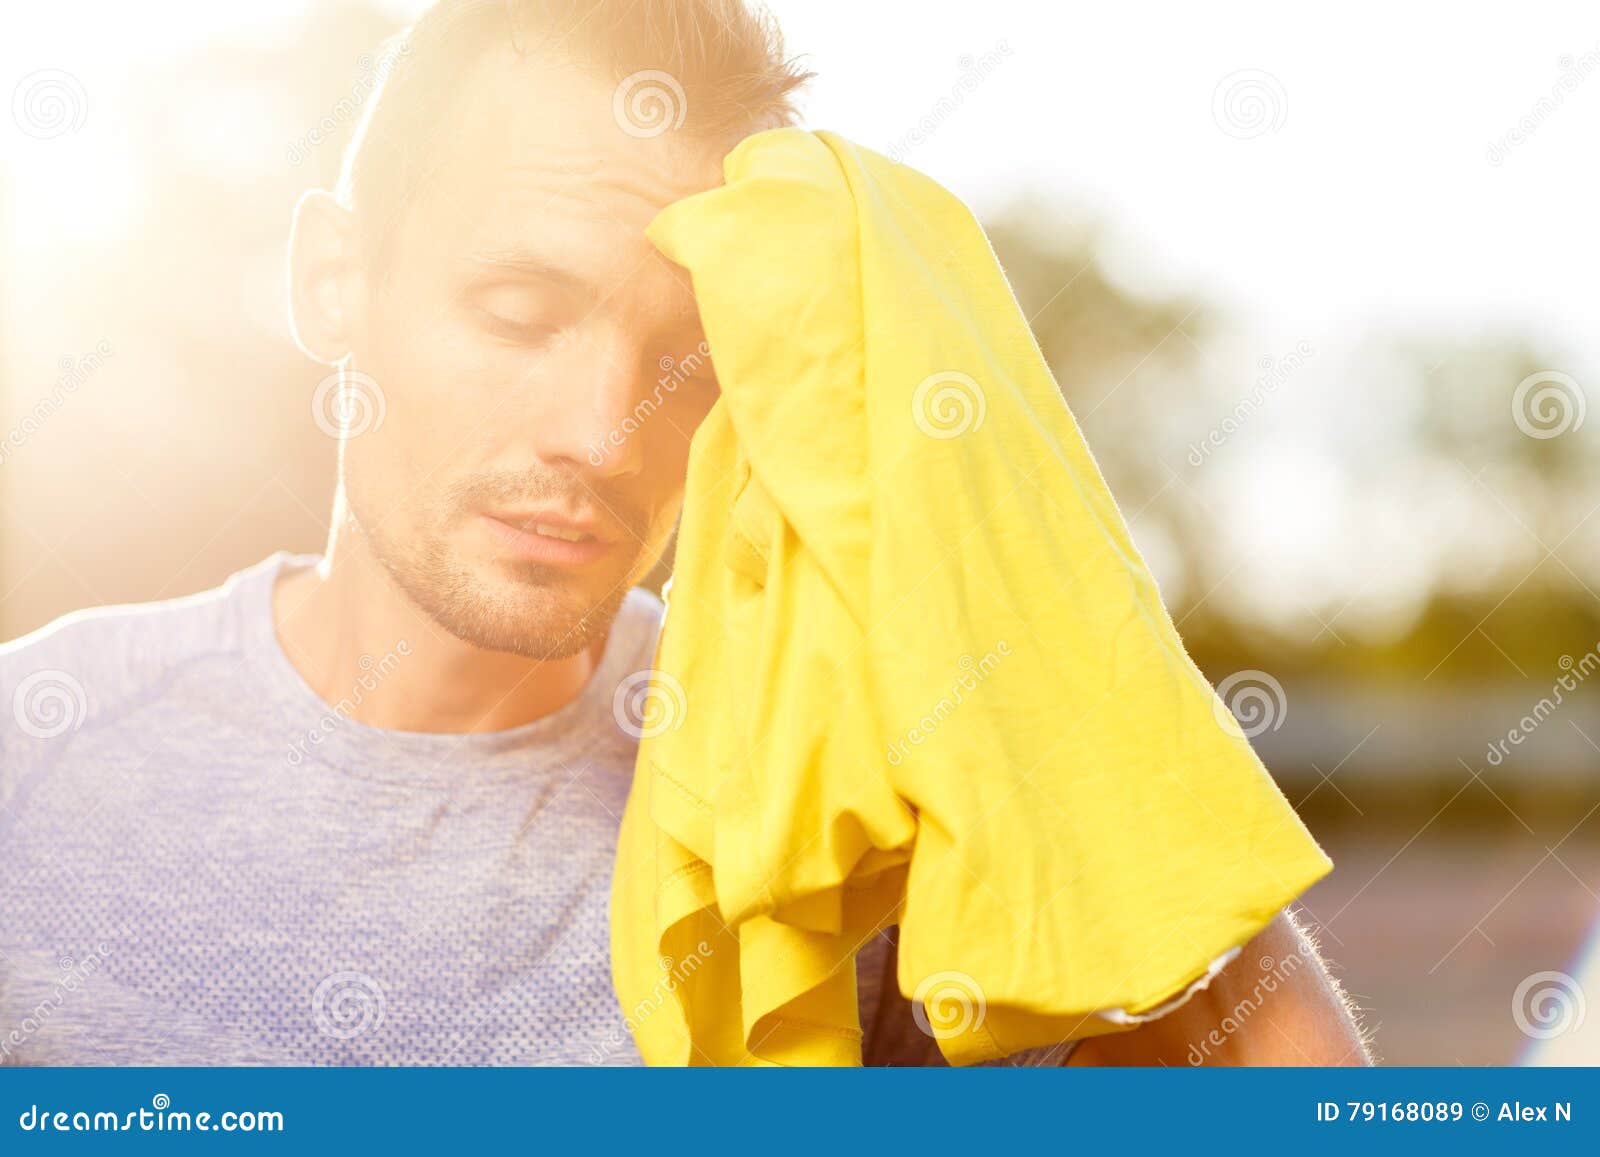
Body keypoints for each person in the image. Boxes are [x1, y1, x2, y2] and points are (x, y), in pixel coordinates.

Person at [0, 0, 1368, 1066]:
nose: (603, 435)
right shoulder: (35, 766)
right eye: (522, 313)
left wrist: (1046, 650)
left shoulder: (817, 799)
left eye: (695, 359)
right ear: (334, 286)